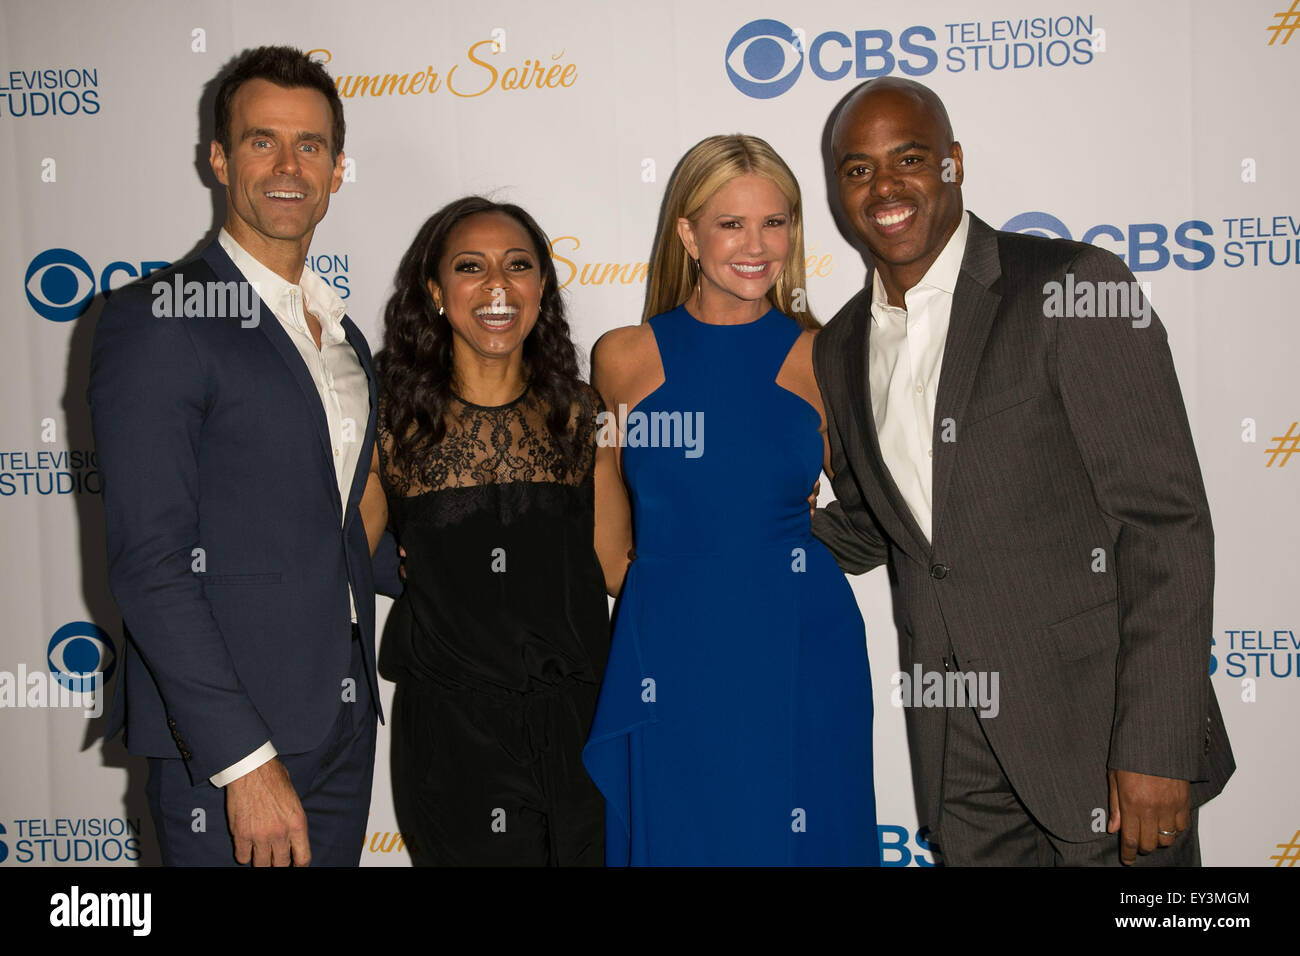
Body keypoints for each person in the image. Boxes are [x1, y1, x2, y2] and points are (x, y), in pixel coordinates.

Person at [812, 77, 1235, 866]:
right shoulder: (839, 346)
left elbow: (1164, 525)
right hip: (959, 760)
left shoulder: (1074, 285)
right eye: (858, 168)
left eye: (909, 157)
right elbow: (891, 521)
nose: (885, 186)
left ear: (954, 164)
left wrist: (1156, 744)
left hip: (1101, 740)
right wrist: (724, 542)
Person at [89, 46, 396, 866]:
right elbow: (151, 564)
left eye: (312, 146)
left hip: (339, 728)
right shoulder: (159, 318)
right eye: (263, 142)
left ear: (336, 168)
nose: (290, 166)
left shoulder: (343, 336)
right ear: (220, 159)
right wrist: (244, 763)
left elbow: (339, 528)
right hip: (229, 757)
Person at [582, 134, 879, 865]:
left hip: (800, 647)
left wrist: (788, 548)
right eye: (731, 223)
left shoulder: (823, 355)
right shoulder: (621, 358)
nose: (756, 244)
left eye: (775, 222)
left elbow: (877, 520)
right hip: (669, 654)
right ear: (688, 232)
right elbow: (608, 549)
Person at [373, 197, 627, 866]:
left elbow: (617, 566)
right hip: (452, 743)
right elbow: (336, 558)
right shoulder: (390, 427)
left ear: (541, 286)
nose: (496, 286)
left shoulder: (582, 414)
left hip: (580, 729)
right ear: (435, 291)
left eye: (518, 266)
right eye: (469, 267)